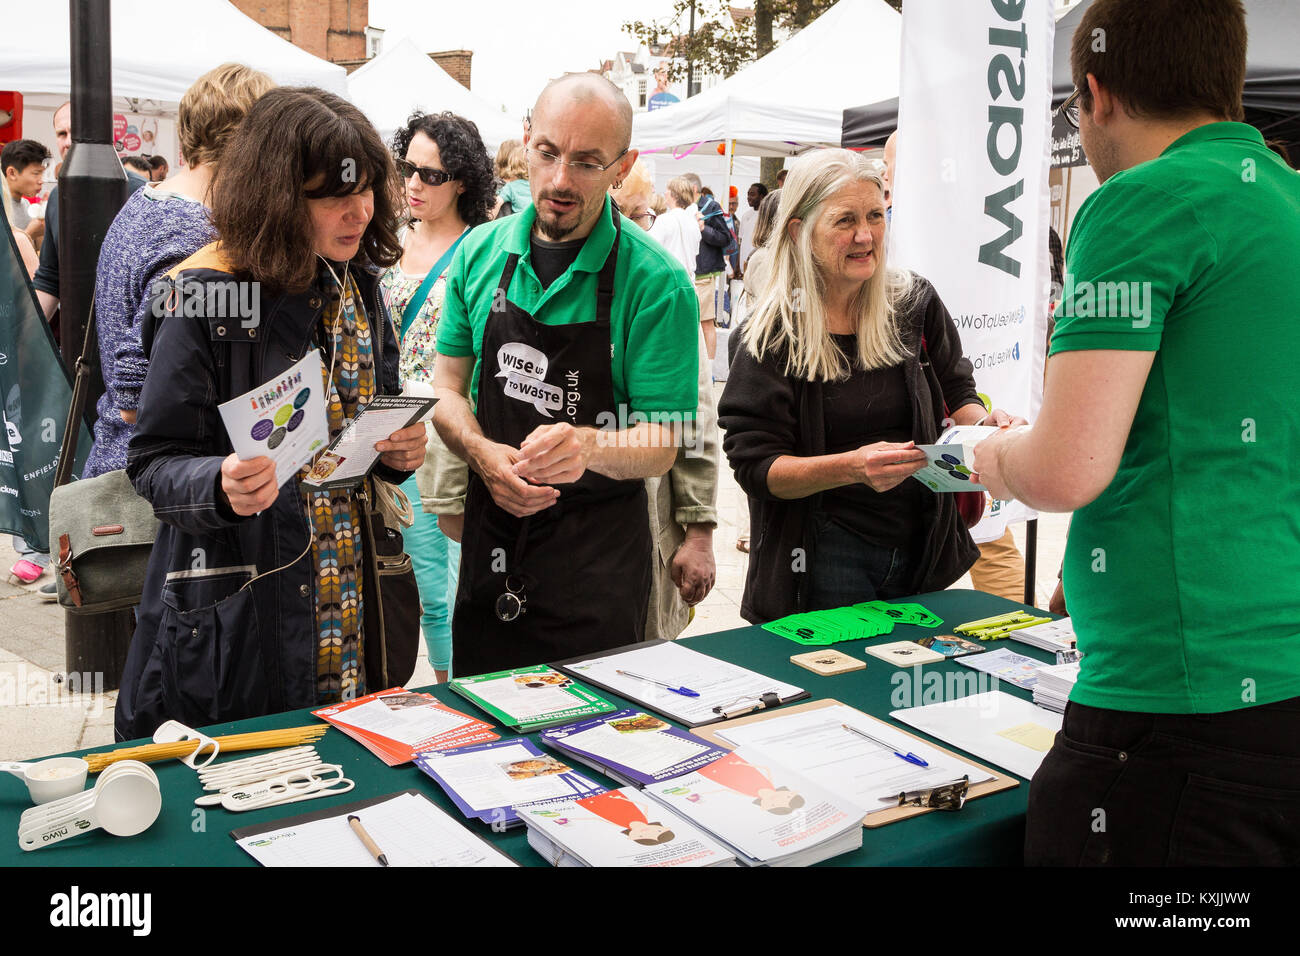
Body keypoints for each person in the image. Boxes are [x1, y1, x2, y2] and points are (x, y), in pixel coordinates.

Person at [972, 0, 1300, 867]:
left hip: (1175, 712)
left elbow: (1068, 469)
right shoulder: (1285, 200)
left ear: (1095, 92)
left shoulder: (1139, 204)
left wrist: (986, 456)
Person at [116, 87, 428, 740]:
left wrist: (399, 455)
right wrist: (219, 483)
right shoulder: (202, 294)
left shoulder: (362, 285)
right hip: (245, 624)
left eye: (369, 188)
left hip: (356, 605)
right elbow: (152, 461)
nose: (359, 210)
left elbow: (374, 424)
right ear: (278, 196)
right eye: (332, 194)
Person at [430, 73, 700, 676]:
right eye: (548, 153)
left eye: (586, 163)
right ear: (525, 141)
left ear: (622, 167)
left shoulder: (656, 281)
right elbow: (446, 387)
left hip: (595, 568)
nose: (558, 181)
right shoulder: (479, 253)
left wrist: (589, 444)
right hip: (492, 543)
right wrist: (478, 451)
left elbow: (666, 439)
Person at [718, 149, 1023, 622]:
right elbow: (756, 468)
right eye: (845, 221)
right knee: (840, 692)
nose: (865, 235)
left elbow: (958, 391)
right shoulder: (769, 336)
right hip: (821, 562)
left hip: (924, 548)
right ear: (800, 232)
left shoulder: (913, 302)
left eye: (876, 215)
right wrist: (851, 468)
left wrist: (988, 425)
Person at [84, 63, 274, 482]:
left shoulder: (149, 201)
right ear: (251, 143)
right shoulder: (193, 233)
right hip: (158, 487)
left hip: (128, 461)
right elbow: (136, 393)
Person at [383, 110, 495, 683]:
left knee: (458, 578)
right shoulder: (383, 240)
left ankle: (468, 689)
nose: (414, 184)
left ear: (463, 181)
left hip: (452, 434)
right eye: (408, 169)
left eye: (431, 174)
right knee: (422, 580)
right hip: (394, 434)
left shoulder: (483, 248)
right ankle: (446, 688)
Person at [614, 163, 718, 641]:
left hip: (643, 526)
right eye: (625, 214)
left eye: (641, 215)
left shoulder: (661, 283)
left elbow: (694, 417)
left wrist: (698, 531)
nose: (636, 230)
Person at [682, 172, 730, 360]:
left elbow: (725, 237)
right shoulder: (684, 208)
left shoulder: (711, 207)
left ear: (693, 189)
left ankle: (708, 368)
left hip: (704, 274)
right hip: (688, 273)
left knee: (706, 322)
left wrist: (704, 228)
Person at [646, 176, 700, 273]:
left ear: (674, 195)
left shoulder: (664, 220)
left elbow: (651, 251)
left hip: (671, 279)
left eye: (667, 190)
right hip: (689, 280)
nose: (665, 193)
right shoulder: (693, 223)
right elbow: (695, 252)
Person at [1, 139, 49, 238]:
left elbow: (36, 251)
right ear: (12, 173)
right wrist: (29, 233)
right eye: (36, 173)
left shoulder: (25, 204)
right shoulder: (2, 208)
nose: (41, 181)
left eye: (42, 173)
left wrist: (43, 218)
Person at [736, 181, 768, 279]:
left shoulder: (767, 216)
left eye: (752, 194)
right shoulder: (745, 216)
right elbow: (740, 243)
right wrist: (738, 265)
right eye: (748, 194)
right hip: (744, 267)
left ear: (762, 196)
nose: (749, 197)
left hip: (759, 267)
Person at [495, 146, 532, 218]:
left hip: (520, 221)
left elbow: (498, 202)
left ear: (513, 165)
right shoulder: (536, 186)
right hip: (537, 223)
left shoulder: (511, 187)